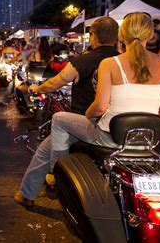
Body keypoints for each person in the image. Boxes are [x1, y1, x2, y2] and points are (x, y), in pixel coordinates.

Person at [48, 13, 160, 177]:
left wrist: (88, 116)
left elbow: (100, 106)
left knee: (59, 119)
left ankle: (55, 174)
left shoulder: (111, 63)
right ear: (150, 34)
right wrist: (153, 118)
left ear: (122, 35)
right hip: (146, 140)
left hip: (110, 137)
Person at [14, 16, 120, 208]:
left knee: (49, 141)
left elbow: (57, 82)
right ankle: (27, 193)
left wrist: (36, 89)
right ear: (116, 37)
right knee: (45, 148)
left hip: (84, 123)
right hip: (118, 126)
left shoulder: (83, 61)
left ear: (94, 36)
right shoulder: (123, 61)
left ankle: (55, 176)